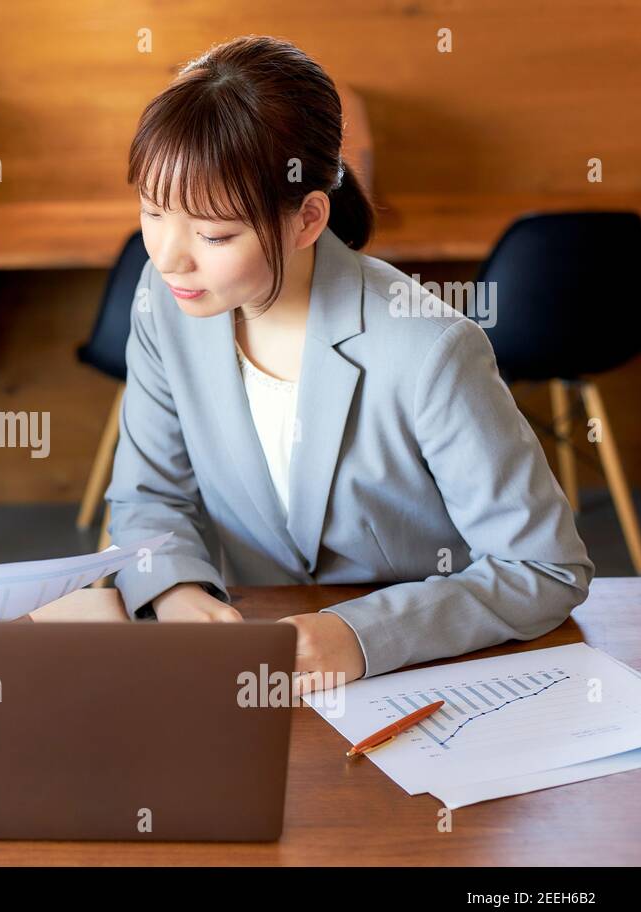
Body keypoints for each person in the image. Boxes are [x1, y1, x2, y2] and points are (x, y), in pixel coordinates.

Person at [106, 35, 593, 690]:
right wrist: (174, 591)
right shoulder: (165, 306)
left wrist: (362, 635)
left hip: (426, 679)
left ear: (308, 218)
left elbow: (544, 569)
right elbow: (149, 496)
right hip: (263, 677)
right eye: (152, 211)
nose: (168, 256)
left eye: (214, 233)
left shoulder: (429, 348)